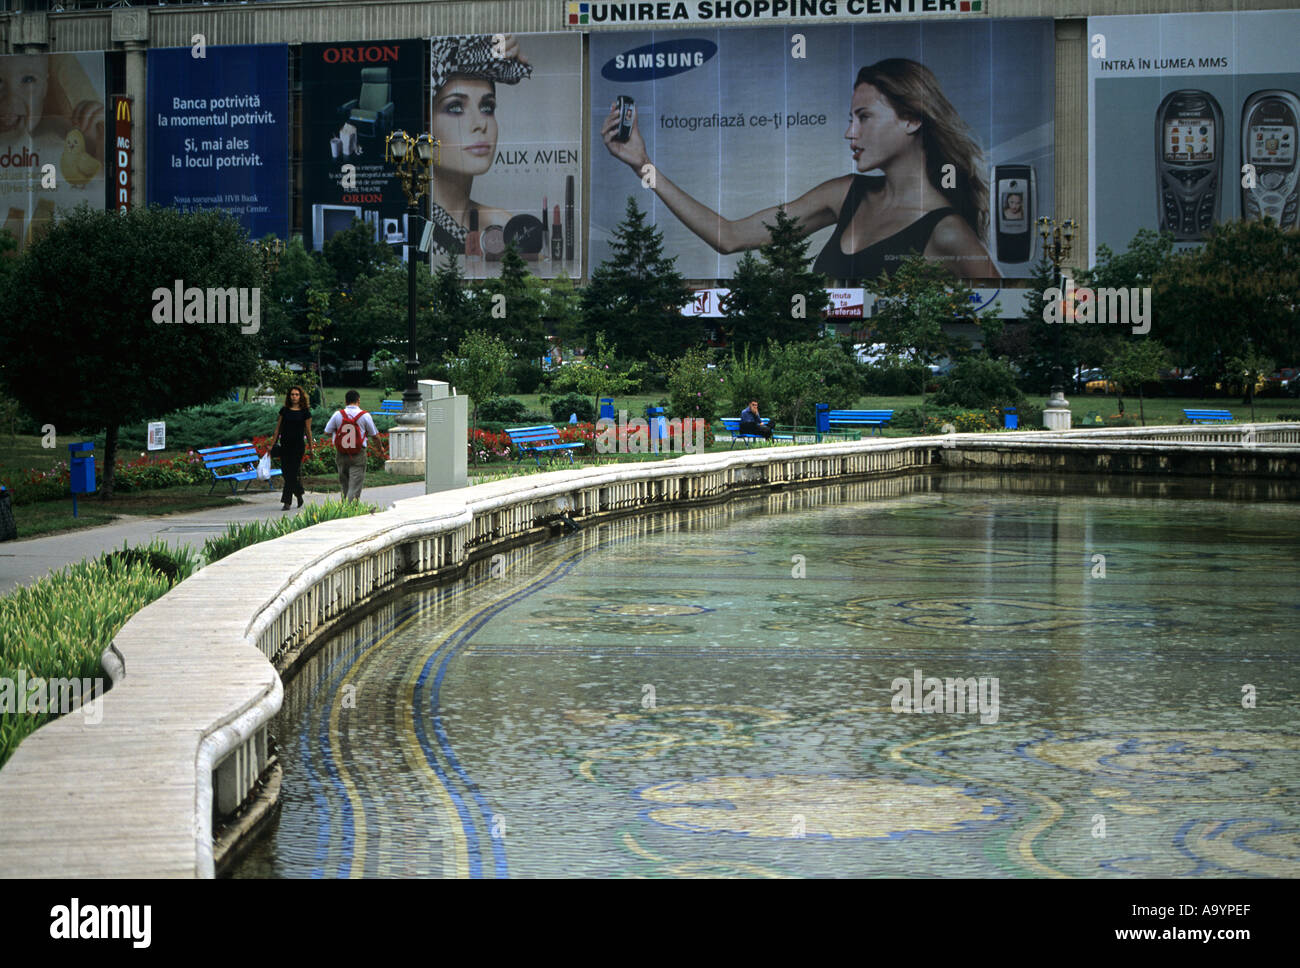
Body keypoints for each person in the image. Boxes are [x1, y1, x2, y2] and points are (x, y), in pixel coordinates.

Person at [601, 58, 998, 281]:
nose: (849, 132)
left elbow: (1002, 316)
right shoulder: (845, 195)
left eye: (863, 117)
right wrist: (644, 166)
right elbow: (730, 236)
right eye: (850, 118)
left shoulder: (947, 230)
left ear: (912, 119)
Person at [425, 34, 530, 261]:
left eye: (487, 107)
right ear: (423, 128)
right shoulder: (419, 228)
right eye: (455, 108)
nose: (480, 123)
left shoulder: (501, 224)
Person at [322, 390, 379, 502]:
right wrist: (380, 448)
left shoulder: (338, 414)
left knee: (345, 485)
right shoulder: (365, 416)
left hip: (341, 453)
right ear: (358, 400)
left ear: (345, 401)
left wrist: (337, 433)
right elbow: (375, 436)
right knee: (355, 485)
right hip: (358, 454)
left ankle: (343, 508)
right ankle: (350, 510)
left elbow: (327, 432)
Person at [269, 385, 312, 511]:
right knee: (286, 473)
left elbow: (308, 431)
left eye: (297, 394)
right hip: (285, 446)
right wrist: (272, 444)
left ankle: (286, 502)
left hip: (298, 447)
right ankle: (299, 493)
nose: (294, 397)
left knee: (292, 473)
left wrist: (311, 448)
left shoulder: (305, 412)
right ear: (289, 396)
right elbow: (278, 429)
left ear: (301, 396)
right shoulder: (284, 410)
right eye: (292, 394)